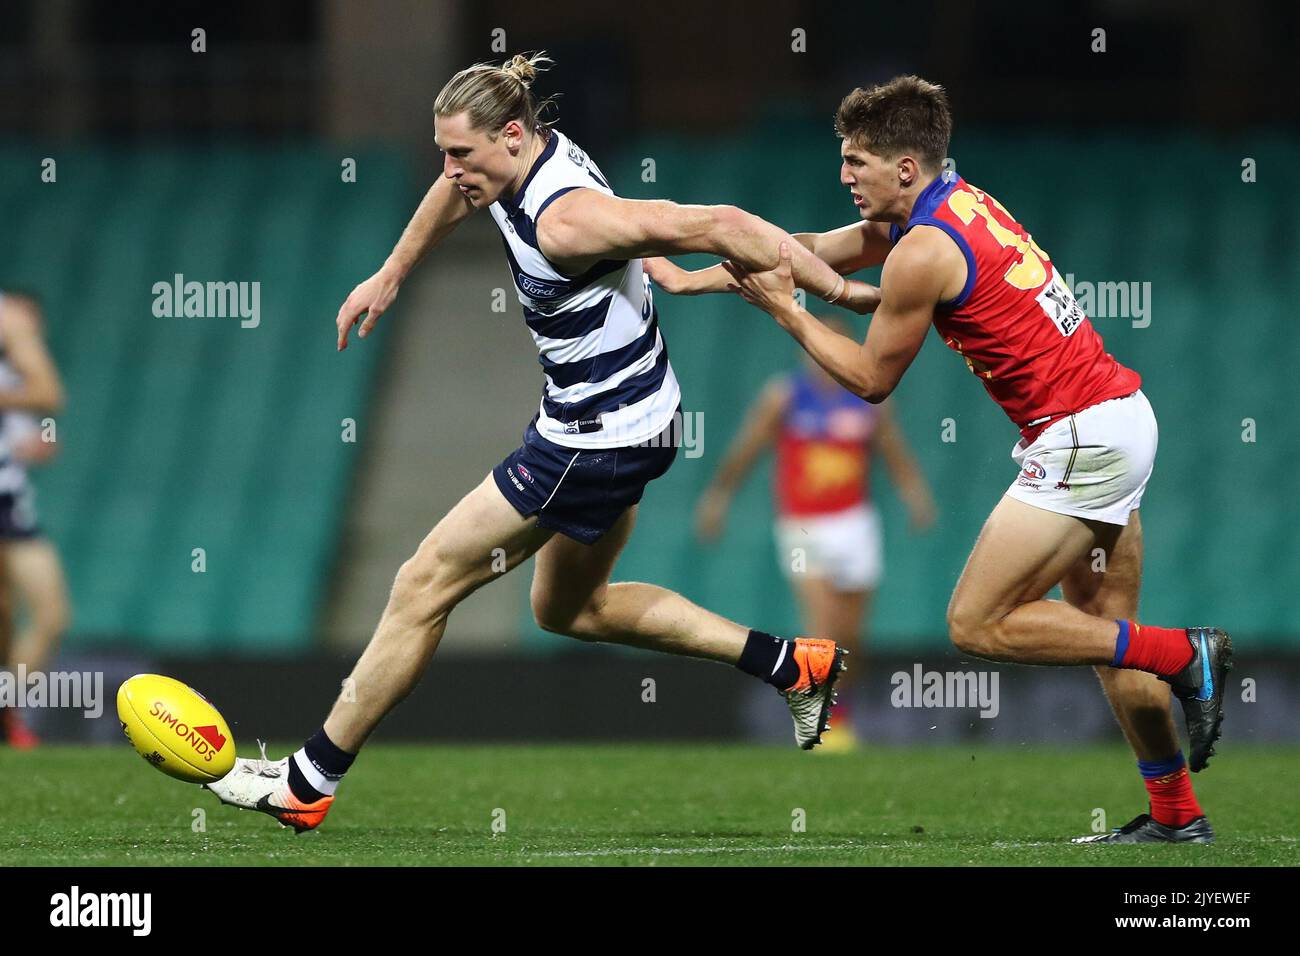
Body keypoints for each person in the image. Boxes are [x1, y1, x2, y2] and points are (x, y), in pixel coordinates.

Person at [206, 53, 887, 833]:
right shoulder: (512, 165)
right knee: (573, 609)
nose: (450, 169)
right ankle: (791, 665)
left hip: (592, 439)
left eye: (461, 153)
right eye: (443, 152)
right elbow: (460, 193)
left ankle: (308, 781)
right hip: (630, 418)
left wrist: (836, 294)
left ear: (514, 135)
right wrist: (391, 273)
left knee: (422, 583)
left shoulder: (564, 217)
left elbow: (724, 225)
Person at [646, 76, 1230, 844]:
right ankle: (1177, 816)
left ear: (905, 169)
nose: (845, 176)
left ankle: (1184, 655)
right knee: (1099, 628)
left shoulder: (922, 249)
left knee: (977, 623)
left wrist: (787, 312)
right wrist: (707, 269)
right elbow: (813, 253)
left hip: (1082, 433)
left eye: (857, 162)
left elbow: (870, 380)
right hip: (1119, 419)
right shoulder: (958, 204)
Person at [694, 316, 935, 748]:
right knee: (823, 628)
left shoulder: (869, 400)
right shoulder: (784, 397)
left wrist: (914, 494)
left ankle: (842, 713)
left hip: (856, 524)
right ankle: (823, 726)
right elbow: (746, 450)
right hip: (803, 525)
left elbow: (893, 452)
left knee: (852, 638)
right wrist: (719, 497)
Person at [0, 289, 68, 749]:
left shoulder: (11, 332)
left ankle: (5, 707)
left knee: (50, 614)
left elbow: (47, 399)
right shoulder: (13, 327)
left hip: (9, 498)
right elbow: (45, 396)